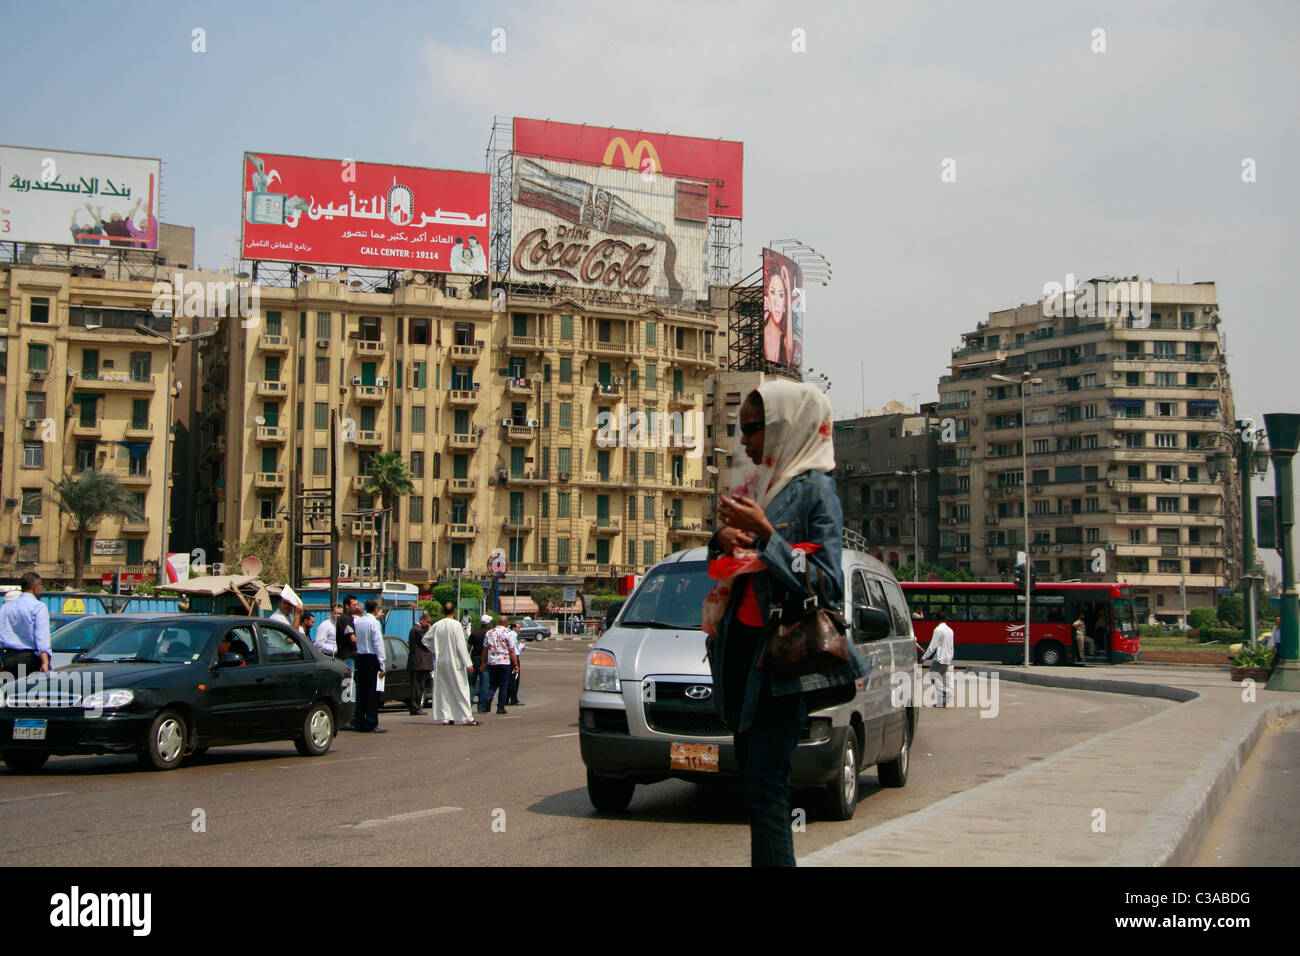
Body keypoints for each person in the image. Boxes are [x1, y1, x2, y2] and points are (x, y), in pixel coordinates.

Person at [706, 382, 866, 867]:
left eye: (755, 429)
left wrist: (768, 534)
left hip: (782, 662)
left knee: (769, 785)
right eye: (743, 429)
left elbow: (826, 581)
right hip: (743, 651)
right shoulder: (762, 484)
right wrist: (722, 536)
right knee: (755, 785)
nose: (747, 441)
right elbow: (734, 563)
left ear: (786, 428)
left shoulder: (817, 489)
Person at [426, 602, 478, 726]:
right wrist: (468, 664)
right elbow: (461, 646)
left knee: (444, 689)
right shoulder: (456, 625)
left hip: (441, 661)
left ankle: (446, 717)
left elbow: (425, 640)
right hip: (455, 661)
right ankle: (467, 717)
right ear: (454, 612)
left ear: (443, 612)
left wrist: (437, 649)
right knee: (461, 688)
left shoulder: (437, 625)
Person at [0, 572, 51, 677]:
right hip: (28, 659)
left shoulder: (6, 607)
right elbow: (41, 637)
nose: (41, 589)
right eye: (41, 585)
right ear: (35, 587)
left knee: (9, 691)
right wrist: (45, 662)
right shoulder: (39, 607)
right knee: (28, 692)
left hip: (8, 658)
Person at [352, 598, 387, 733]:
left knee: (361, 692)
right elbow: (378, 643)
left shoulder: (358, 621)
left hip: (360, 657)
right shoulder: (374, 623)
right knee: (373, 692)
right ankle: (371, 722)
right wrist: (382, 664)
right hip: (372, 658)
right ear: (376, 609)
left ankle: (359, 721)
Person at [481, 615, 518, 715]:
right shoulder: (508, 633)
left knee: (493, 683)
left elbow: (485, 649)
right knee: (503, 684)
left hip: (492, 661)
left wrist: (483, 662)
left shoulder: (489, 633)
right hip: (504, 662)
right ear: (506, 624)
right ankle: (500, 707)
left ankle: (489, 696)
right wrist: (515, 664)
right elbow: (511, 650)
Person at [919, 609, 955, 705]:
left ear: (937, 619)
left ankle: (946, 694)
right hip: (947, 658)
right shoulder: (950, 631)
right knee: (941, 680)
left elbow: (932, 646)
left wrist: (924, 657)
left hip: (940, 658)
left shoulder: (938, 630)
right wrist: (950, 657)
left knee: (933, 675)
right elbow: (951, 646)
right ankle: (941, 702)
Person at [407, 610, 433, 715]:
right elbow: (426, 641)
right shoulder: (417, 630)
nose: (428, 625)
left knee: (421, 685)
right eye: (427, 622)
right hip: (419, 662)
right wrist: (430, 631)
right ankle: (415, 707)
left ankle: (417, 706)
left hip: (421, 663)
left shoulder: (419, 629)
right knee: (417, 685)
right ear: (422, 620)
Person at [469, 614, 491, 712]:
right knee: (484, 684)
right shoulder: (489, 634)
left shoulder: (474, 633)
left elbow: (469, 647)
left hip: (474, 659)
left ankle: (468, 704)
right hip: (485, 660)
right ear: (488, 624)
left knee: (471, 683)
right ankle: (481, 707)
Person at [507, 618, 524, 706]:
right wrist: (515, 663)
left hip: (510, 658)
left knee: (509, 679)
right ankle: (514, 699)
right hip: (514, 658)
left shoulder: (509, 634)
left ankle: (506, 698)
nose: (519, 629)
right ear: (514, 628)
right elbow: (512, 648)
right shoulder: (513, 634)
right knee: (515, 679)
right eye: (518, 627)